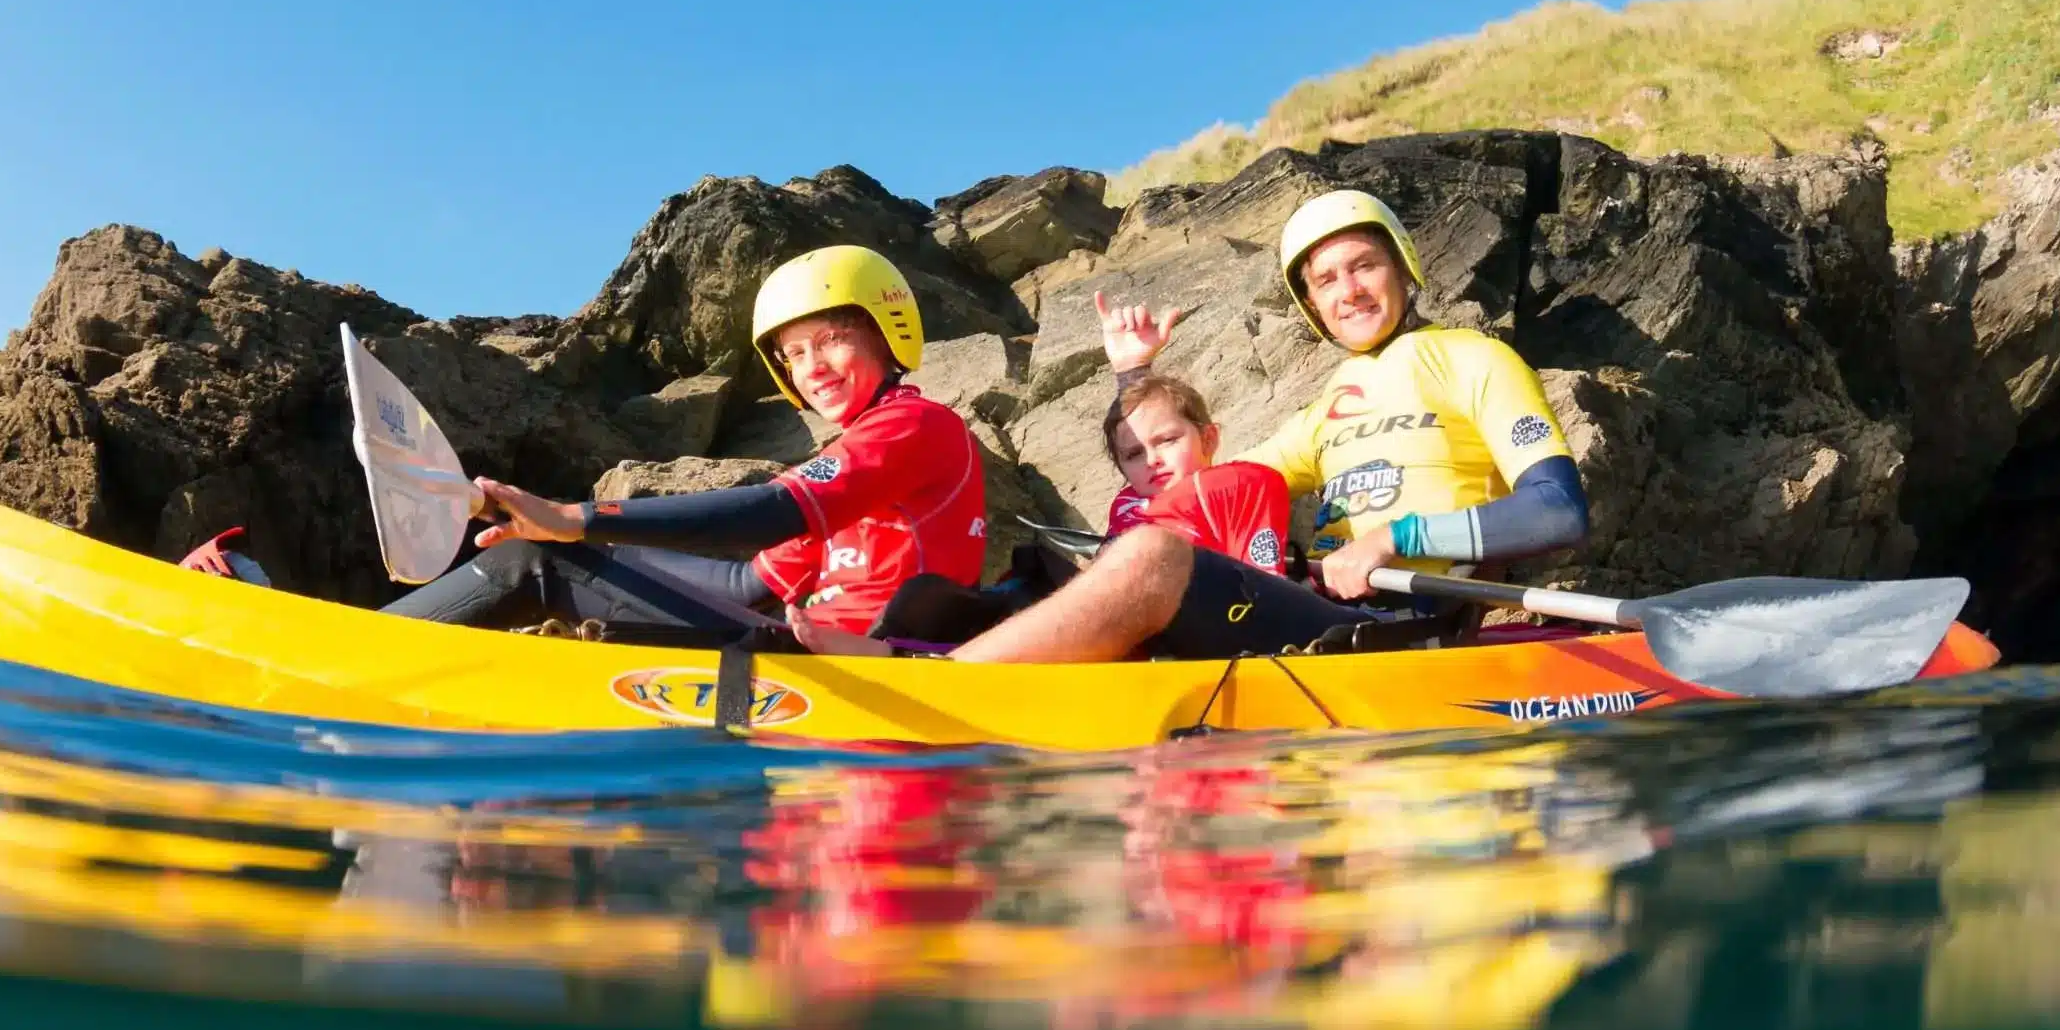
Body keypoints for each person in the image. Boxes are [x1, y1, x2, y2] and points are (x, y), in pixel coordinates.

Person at [803, 189, 1586, 664]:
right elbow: (1197, 488)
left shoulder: (1472, 358)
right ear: (1310, 305)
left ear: (1403, 267)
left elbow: (1556, 510)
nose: (1346, 290)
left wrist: (1393, 537)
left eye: (1363, 266)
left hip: (1402, 624)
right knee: (1059, 560)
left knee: (1150, 558)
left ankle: (947, 688)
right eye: (1324, 280)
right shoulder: (1329, 408)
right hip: (1319, 611)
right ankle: (903, 651)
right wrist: (1134, 378)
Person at [377, 244, 987, 638]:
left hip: (858, 672)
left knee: (532, 564)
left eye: (831, 339)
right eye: (795, 354)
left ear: (888, 332)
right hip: (807, 656)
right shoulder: (857, 459)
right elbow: (745, 585)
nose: (813, 367)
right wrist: (550, 524)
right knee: (555, 554)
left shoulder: (916, 425)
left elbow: (765, 516)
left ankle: (361, 655)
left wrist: (575, 520)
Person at [1095, 293, 1291, 577]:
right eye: (1134, 455)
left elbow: (1264, 589)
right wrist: (1130, 369)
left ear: (1208, 439)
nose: (1152, 460)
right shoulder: (1127, 504)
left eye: (1168, 441)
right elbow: (1138, 424)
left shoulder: (1235, 487)